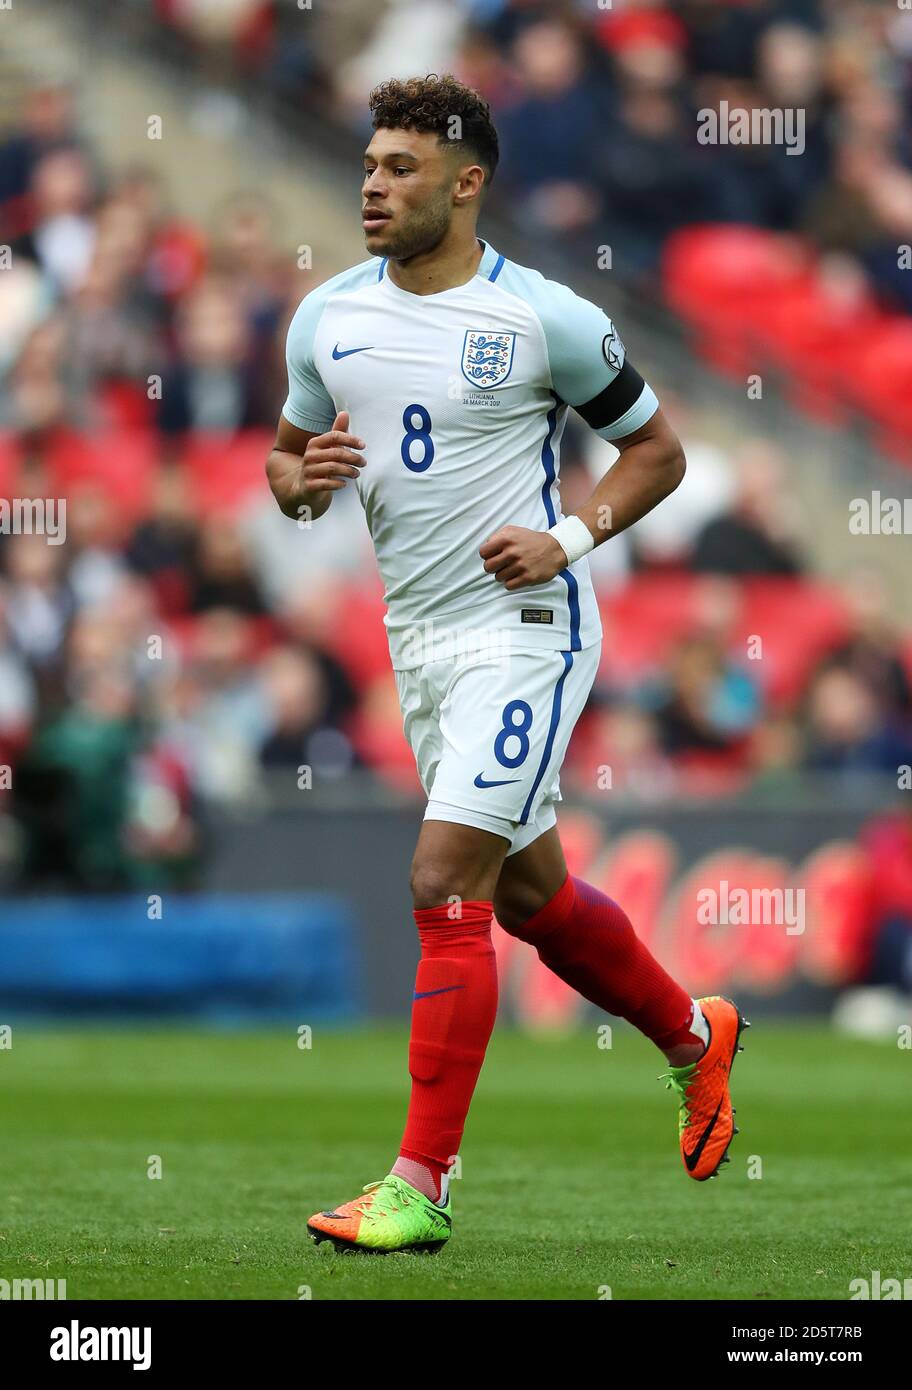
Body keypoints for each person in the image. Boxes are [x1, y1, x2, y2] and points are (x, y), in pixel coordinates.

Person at [266, 74, 747, 1255]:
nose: (374, 185)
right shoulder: (326, 317)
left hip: (526, 628)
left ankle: (420, 1186)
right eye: (370, 164)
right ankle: (694, 1034)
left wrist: (570, 537)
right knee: (530, 897)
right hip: (420, 646)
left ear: (467, 182)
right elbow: (284, 463)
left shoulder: (546, 319)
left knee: (445, 878)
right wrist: (303, 482)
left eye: (401, 168)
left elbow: (661, 452)